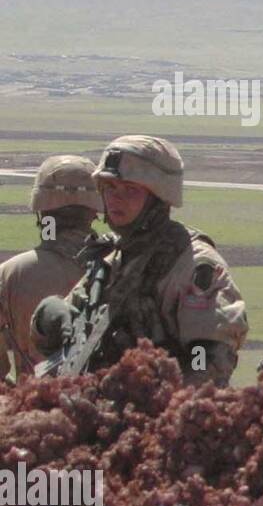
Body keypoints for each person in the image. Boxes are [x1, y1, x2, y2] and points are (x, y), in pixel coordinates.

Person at [30, 135, 247, 386]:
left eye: (130, 190)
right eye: (109, 187)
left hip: (157, 414)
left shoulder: (192, 264)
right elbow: (54, 340)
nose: (115, 198)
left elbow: (210, 359)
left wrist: (162, 400)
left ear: (159, 197)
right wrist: (47, 318)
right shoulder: (113, 259)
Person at [0, 155, 103, 378]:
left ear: (42, 213)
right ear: (95, 212)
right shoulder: (119, 265)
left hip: (33, 407)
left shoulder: (11, 273)